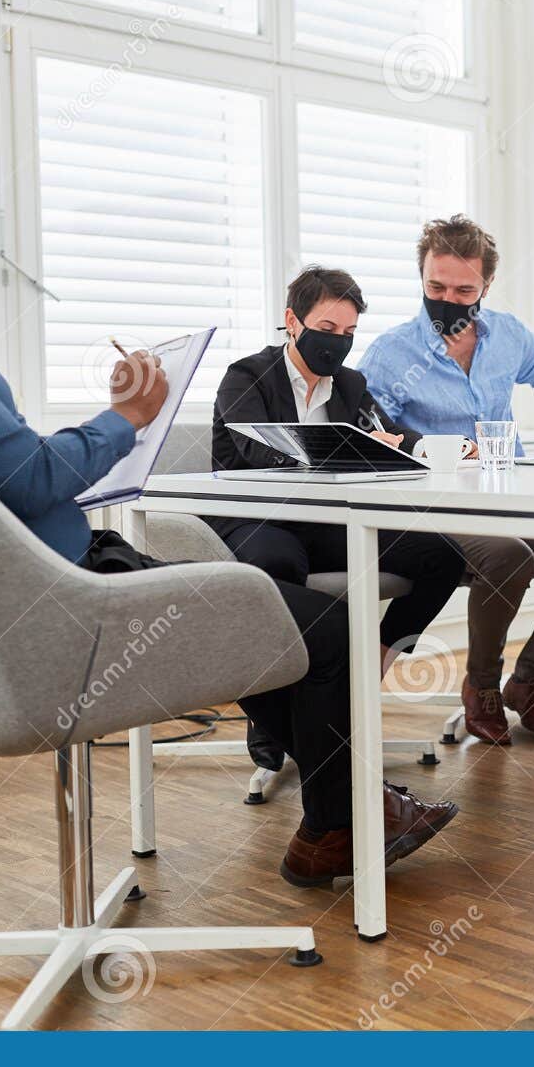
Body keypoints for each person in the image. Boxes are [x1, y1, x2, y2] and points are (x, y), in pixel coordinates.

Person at [0, 126, 457, 888]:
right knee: (322, 626)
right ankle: (343, 824)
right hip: (58, 603)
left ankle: (351, 811)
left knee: (274, 616)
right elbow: (31, 477)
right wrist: (127, 417)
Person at [359, 214, 534, 746]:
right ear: (421, 278)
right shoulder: (393, 353)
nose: (448, 299)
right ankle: (481, 688)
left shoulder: (508, 337)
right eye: (436, 286)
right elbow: (368, 436)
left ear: (486, 286)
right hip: (438, 507)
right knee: (508, 556)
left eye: (464, 289)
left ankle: (528, 683)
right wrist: (432, 452)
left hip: (512, 494)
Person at [207, 264, 467, 772]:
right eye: (327, 331)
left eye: (348, 334)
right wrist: (336, 452)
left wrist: (434, 448)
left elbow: (389, 435)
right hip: (258, 518)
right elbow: (256, 450)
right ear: (292, 321)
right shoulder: (247, 375)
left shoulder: (348, 384)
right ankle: (272, 708)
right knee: (275, 566)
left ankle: (371, 667)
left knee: (441, 553)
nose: (338, 344)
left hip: (327, 521)